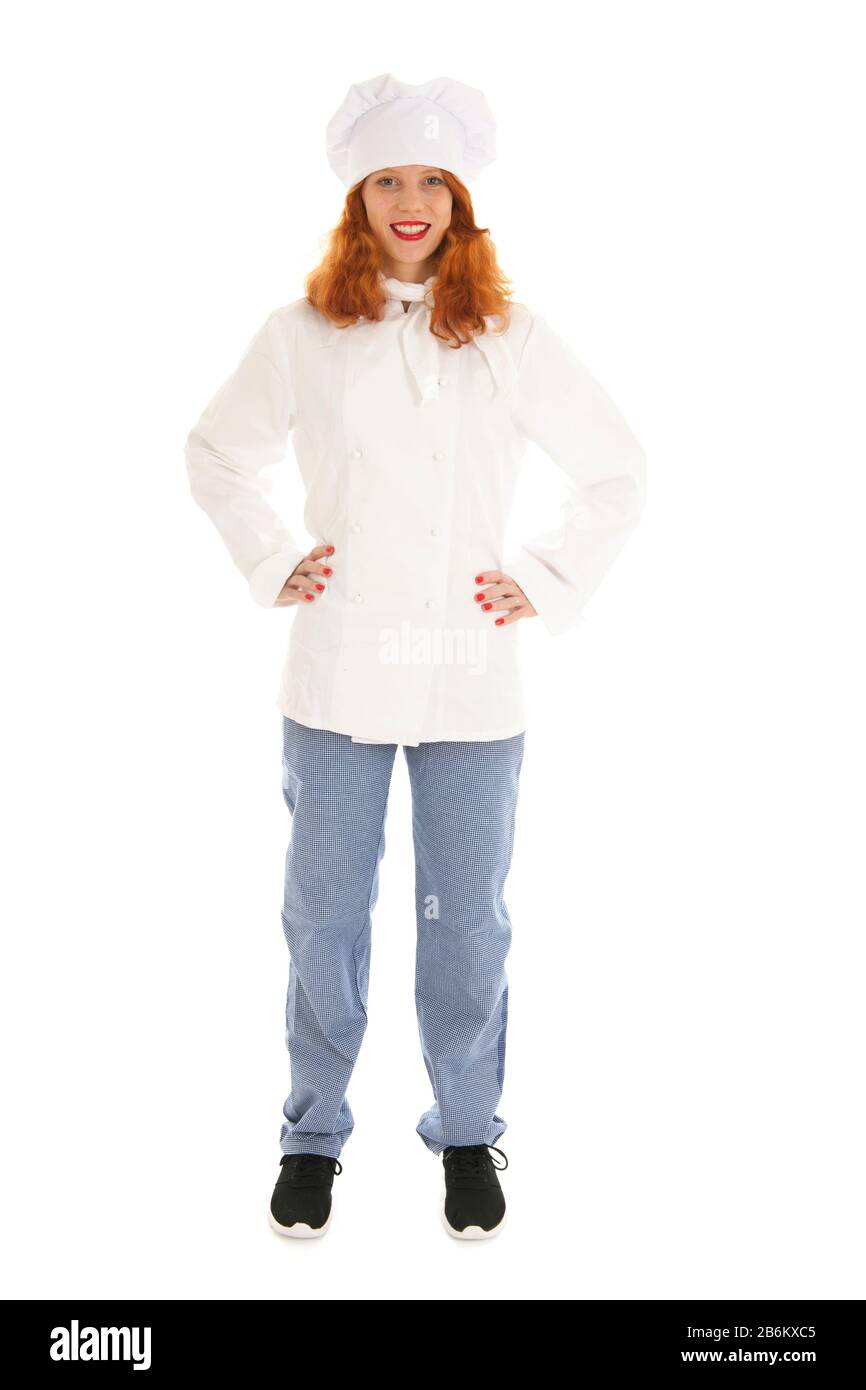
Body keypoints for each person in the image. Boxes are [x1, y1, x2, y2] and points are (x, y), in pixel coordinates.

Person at [184, 72, 646, 1240]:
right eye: (385, 179)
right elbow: (215, 453)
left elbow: (615, 468)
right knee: (325, 913)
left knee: (465, 922)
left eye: (428, 181)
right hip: (336, 670)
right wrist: (272, 555)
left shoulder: (507, 334)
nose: (407, 200)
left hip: (468, 676)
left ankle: (467, 1133)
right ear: (354, 198)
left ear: (458, 200)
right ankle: (310, 1134)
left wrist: (537, 580)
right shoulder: (299, 336)